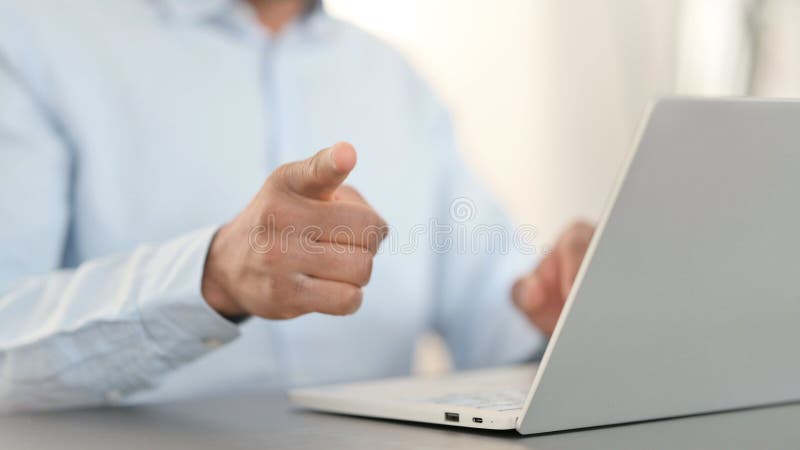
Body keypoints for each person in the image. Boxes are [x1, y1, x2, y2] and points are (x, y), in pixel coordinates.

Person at [0, 0, 594, 412]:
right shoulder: (32, 37)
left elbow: (493, 310)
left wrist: (565, 303)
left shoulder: (394, 78)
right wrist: (211, 279)